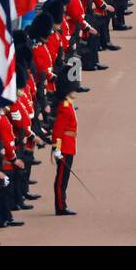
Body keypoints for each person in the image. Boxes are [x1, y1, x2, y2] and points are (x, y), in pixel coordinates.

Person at [51, 80, 79, 216]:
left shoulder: (69, 105)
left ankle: (62, 204)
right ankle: (60, 206)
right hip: (64, 147)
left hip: (69, 144)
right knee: (61, 179)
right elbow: (58, 130)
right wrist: (57, 148)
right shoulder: (64, 106)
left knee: (64, 178)